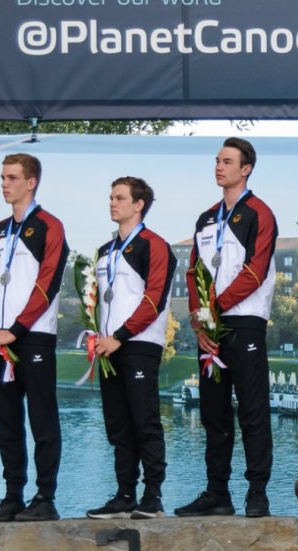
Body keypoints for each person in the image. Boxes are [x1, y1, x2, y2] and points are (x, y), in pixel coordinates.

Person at [176, 137, 278, 518]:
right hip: (210, 331)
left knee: (252, 411)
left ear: (246, 168)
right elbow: (193, 272)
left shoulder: (260, 213)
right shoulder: (205, 219)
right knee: (212, 413)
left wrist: (214, 309)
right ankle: (217, 492)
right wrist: (200, 319)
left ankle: (257, 492)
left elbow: (255, 271)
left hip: (245, 324)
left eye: (227, 161)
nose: (219, 167)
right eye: (217, 160)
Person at [0, 153, 69, 522]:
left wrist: (14, 330)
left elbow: (48, 283)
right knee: (6, 420)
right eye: (2, 177)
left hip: (32, 338)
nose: (4, 184)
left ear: (31, 182)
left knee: (43, 420)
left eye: (12, 177)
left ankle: (45, 498)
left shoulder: (50, 226)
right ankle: (13, 494)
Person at [85, 177, 177, 520]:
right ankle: (125, 494)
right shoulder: (105, 252)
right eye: (110, 197)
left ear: (139, 204)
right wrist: (98, 337)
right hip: (109, 347)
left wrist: (120, 335)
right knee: (118, 425)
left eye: (119, 198)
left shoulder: (155, 246)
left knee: (145, 421)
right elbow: (96, 302)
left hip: (139, 344)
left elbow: (154, 300)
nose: (112, 203)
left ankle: (152, 497)